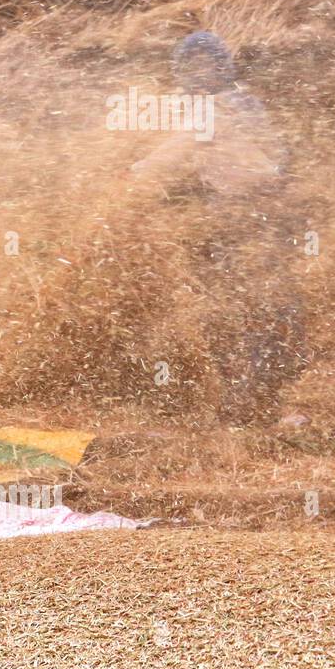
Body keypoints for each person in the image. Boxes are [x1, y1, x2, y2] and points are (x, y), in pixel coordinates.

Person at [129, 31, 302, 423]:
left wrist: (140, 170)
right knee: (205, 308)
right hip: (197, 225)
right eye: (193, 64)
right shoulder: (173, 107)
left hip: (248, 221)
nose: (202, 71)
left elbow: (193, 146)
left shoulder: (238, 104)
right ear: (180, 69)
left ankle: (258, 398)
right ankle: (210, 396)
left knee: (255, 306)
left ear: (224, 66)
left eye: (209, 63)